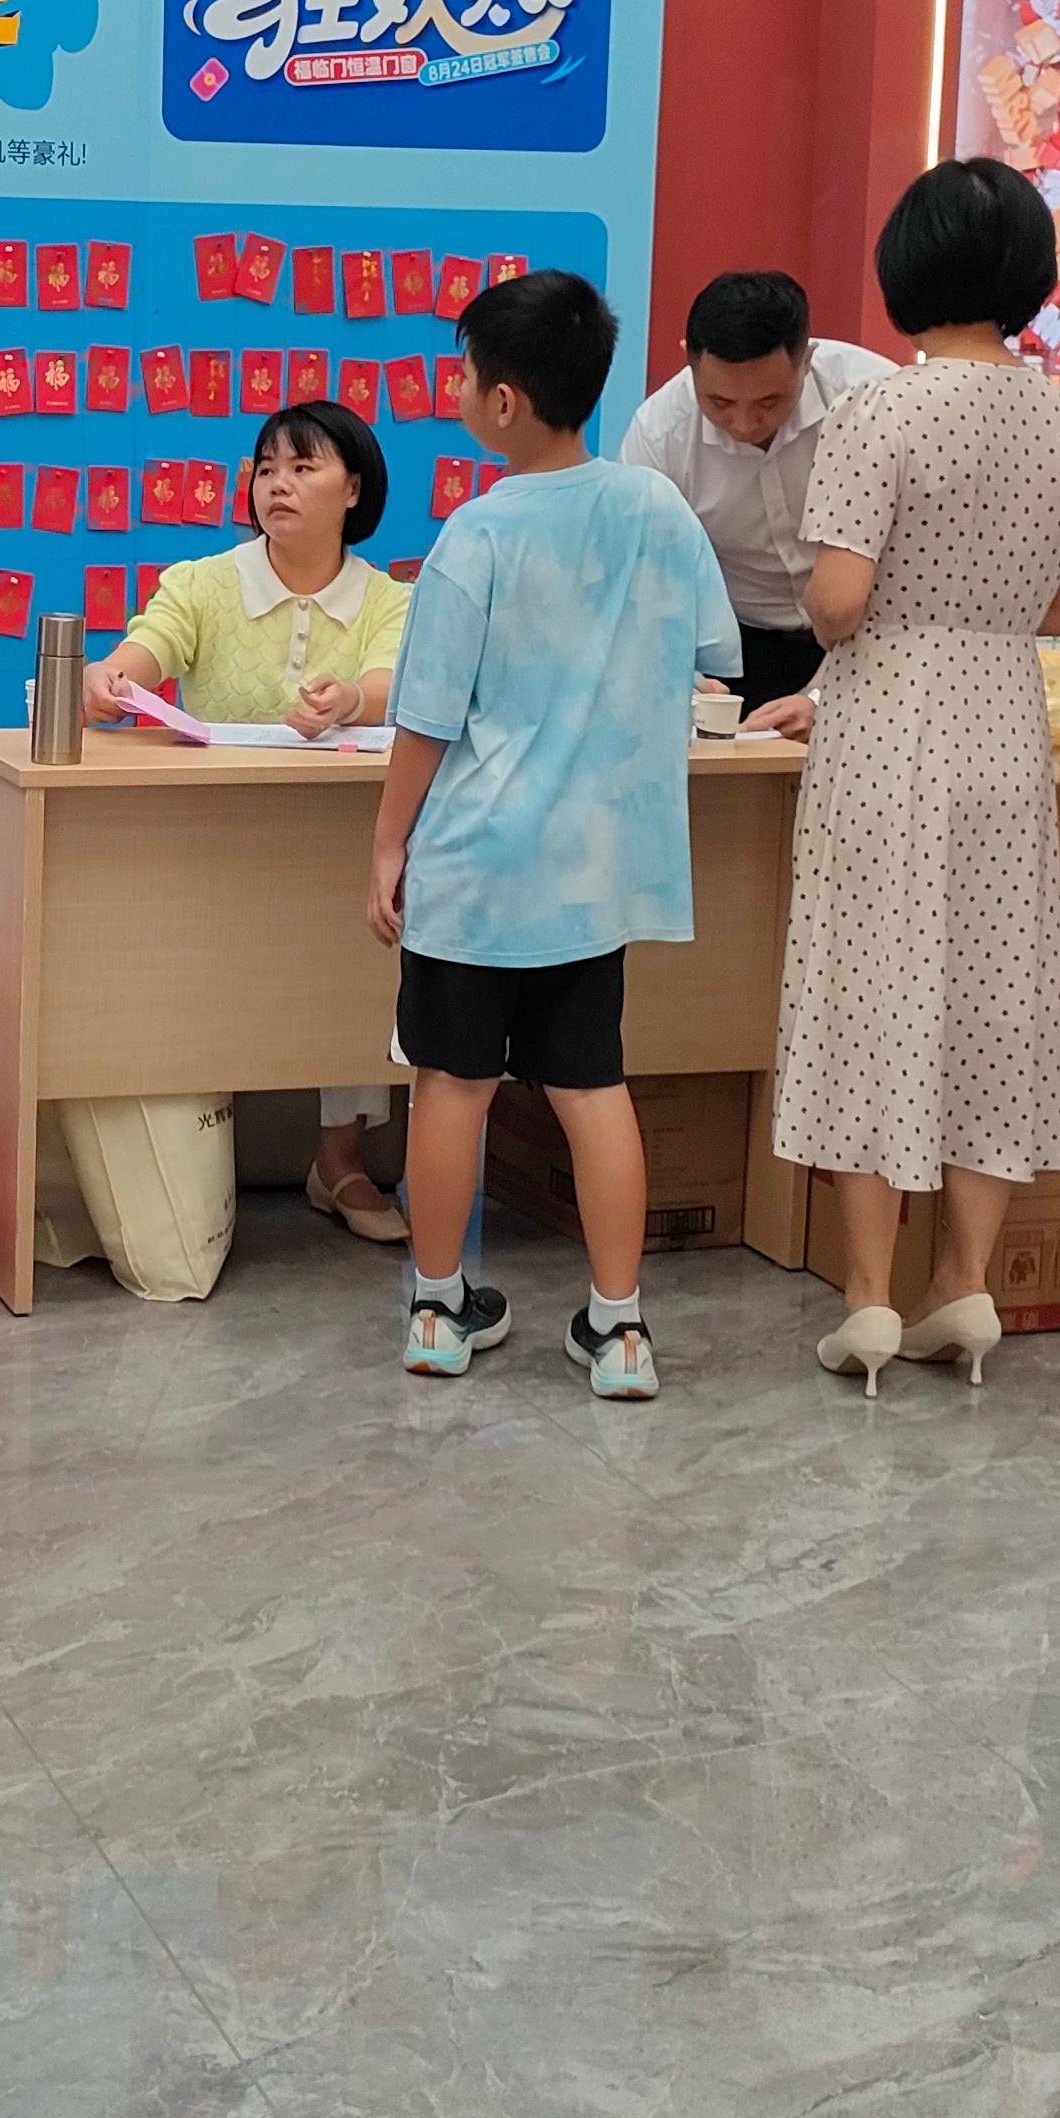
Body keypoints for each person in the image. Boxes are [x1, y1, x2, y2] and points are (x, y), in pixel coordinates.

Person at [769, 160, 1060, 1394]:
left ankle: (867, 1296)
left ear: (904, 271)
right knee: (994, 989)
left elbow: (840, 602)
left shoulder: (876, 414)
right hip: (1003, 721)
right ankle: (962, 1282)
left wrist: (838, 599)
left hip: (884, 719)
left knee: (869, 984)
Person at [365, 270, 741, 1399]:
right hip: (595, 871)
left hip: (478, 867)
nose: (457, 391)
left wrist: (387, 845)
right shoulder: (657, 509)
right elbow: (712, 658)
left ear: (504, 401)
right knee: (591, 1087)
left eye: (464, 375)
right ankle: (619, 1331)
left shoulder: (477, 532)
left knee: (453, 1084)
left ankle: (438, 1311)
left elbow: (427, 717)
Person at [79, 397, 418, 1246]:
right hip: (213, 843)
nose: (278, 485)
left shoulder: (390, 599)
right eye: (266, 468)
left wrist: (351, 698)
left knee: (363, 942)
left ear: (354, 490)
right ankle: (187, 1167)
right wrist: (114, 675)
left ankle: (340, 1160)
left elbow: (393, 682)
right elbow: (151, 643)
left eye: (303, 468)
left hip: (337, 841)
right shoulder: (203, 583)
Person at [616, 270, 896, 715]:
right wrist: (686, 675)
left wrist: (822, 696)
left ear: (806, 359)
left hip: (871, 630)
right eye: (719, 403)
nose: (745, 424)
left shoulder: (876, 399)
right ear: (689, 360)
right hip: (739, 645)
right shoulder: (659, 434)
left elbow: (910, 560)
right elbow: (643, 578)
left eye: (769, 401)